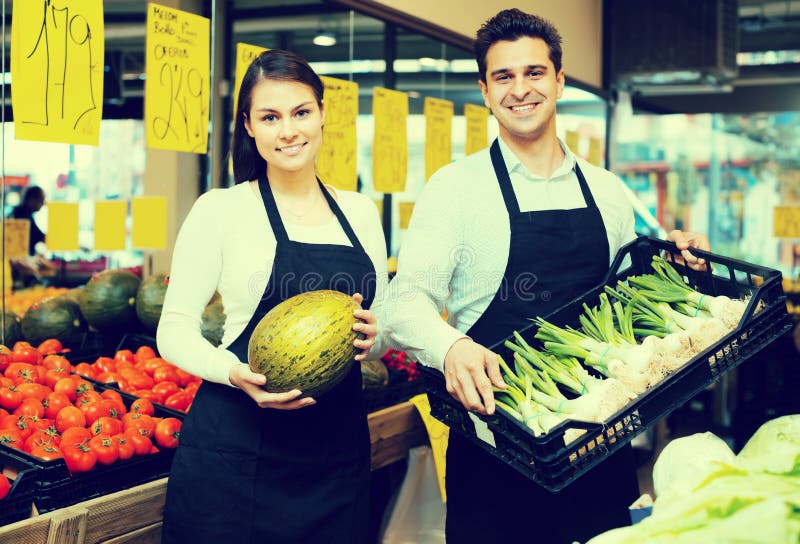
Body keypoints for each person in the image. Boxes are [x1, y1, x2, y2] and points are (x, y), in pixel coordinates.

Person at [383, 9, 710, 544]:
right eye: (503, 77)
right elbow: (404, 303)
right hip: (496, 448)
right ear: (485, 92)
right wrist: (450, 348)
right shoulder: (455, 189)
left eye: (534, 73)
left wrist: (678, 268)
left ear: (559, 80)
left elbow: (623, 304)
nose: (520, 90)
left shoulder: (606, 190)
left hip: (596, 442)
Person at [156, 49, 389, 544]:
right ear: (249, 126)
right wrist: (232, 373)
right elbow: (173, 328)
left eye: (301, 112)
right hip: (237, 455)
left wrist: (377, 336)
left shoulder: (361, 212)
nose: (289, 131)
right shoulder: (219, 210)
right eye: (270, 117)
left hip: (336, 457)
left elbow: (380, 329)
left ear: (323, 114)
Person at [11, 186, 46, 256]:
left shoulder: (23, 213)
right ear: (31, 200)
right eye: (41, 200)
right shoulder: (22, 215)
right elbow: (38, 236)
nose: (42, 204)